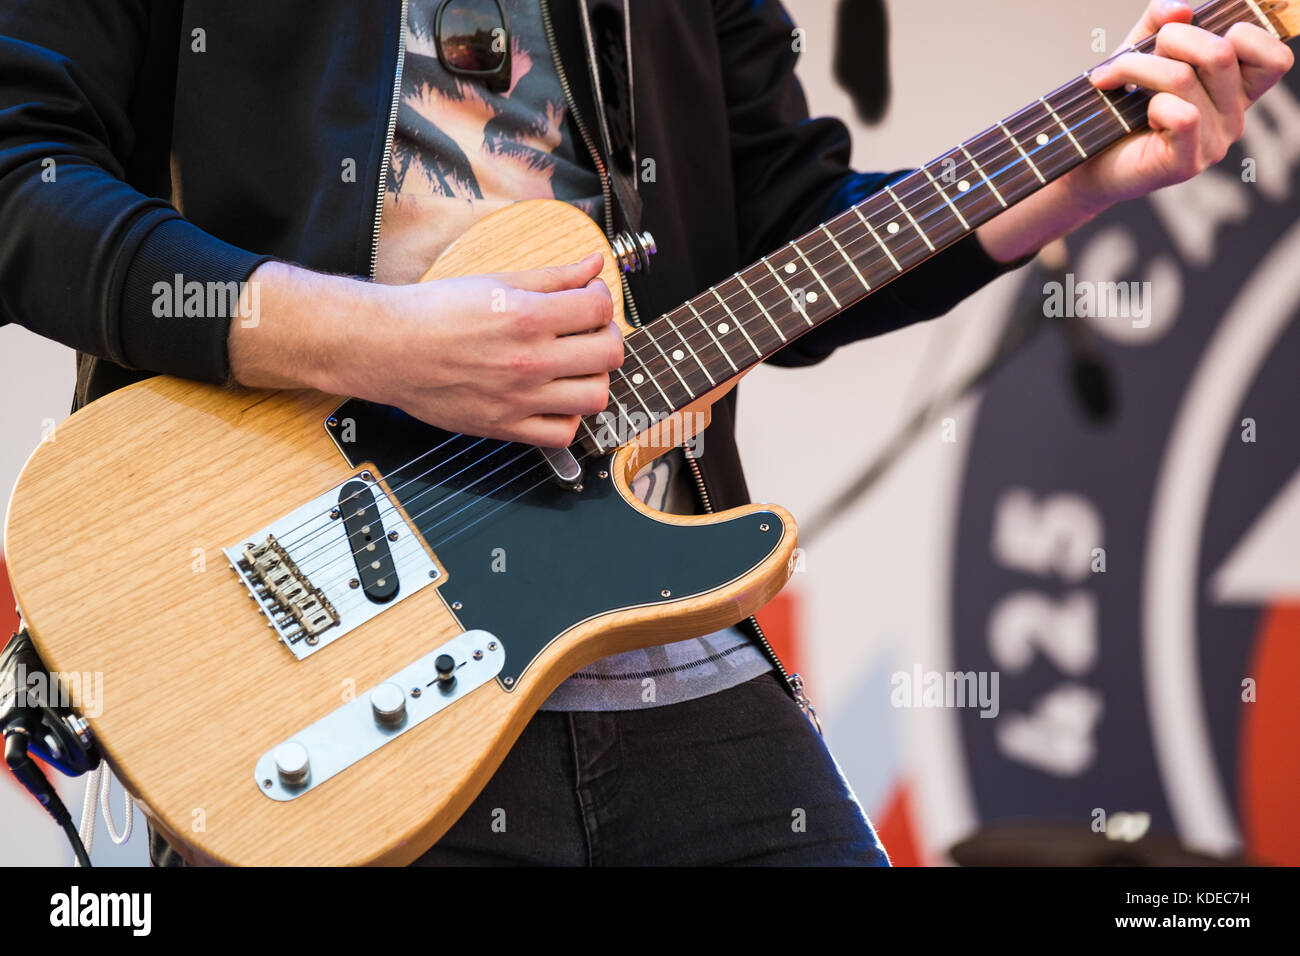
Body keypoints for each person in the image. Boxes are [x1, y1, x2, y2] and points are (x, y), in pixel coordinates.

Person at [0, 0, 1290, 866]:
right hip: (318, 640)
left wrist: (1076, 174)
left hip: (652, 638)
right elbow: (20, 178)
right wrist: (381, 345)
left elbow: (781, 224)